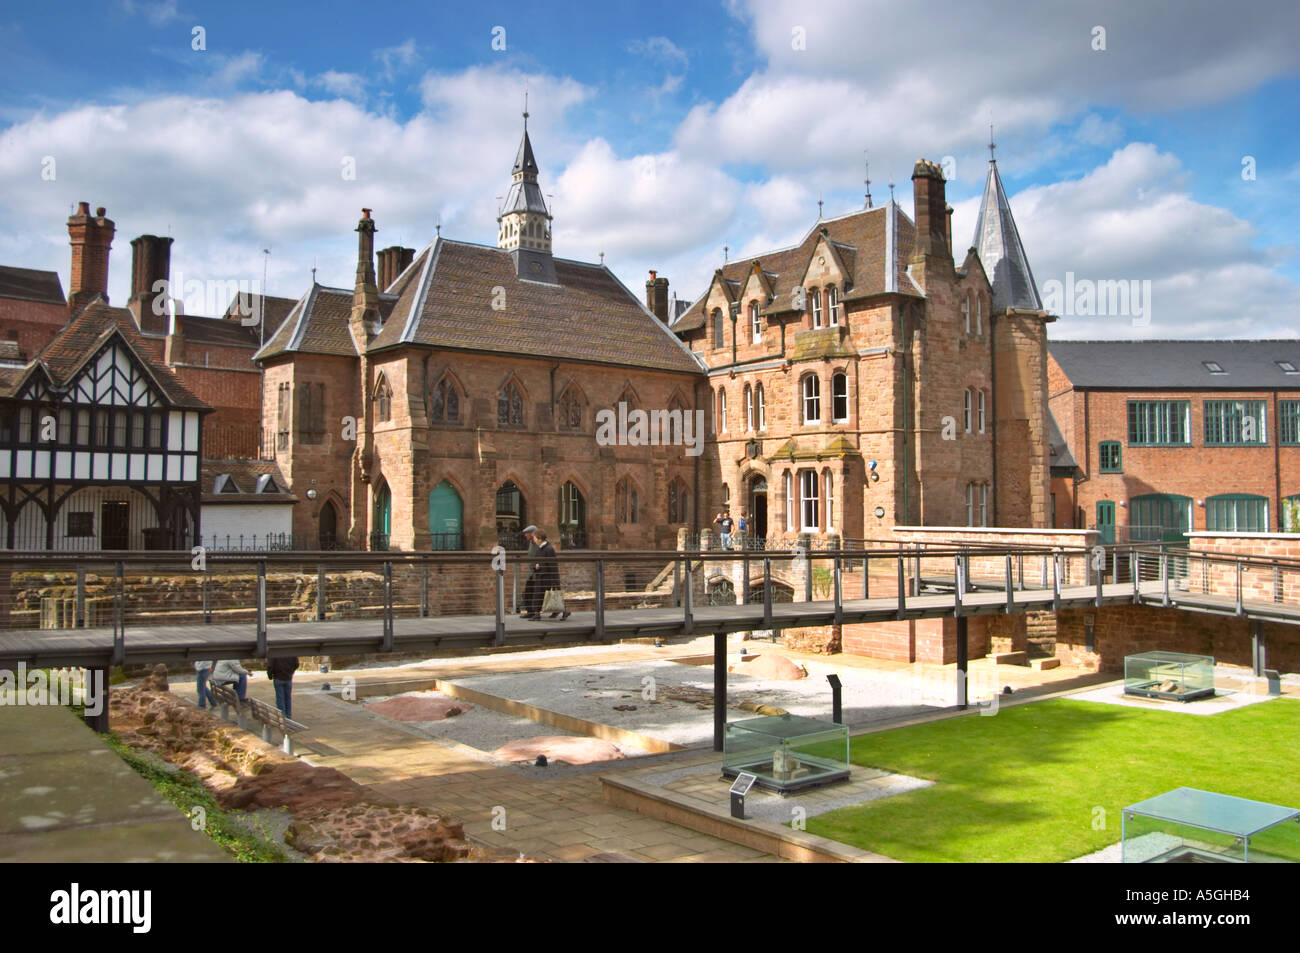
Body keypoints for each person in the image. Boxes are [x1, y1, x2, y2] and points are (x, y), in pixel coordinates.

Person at [526, 529, 569, 620]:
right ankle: (540, 613)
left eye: (535, 538)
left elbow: (552, 565)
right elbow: (537, 562)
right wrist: (536, 567)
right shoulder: (540, 549)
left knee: (547, 595)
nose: (533, 540)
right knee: (539, 594)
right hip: (541, 575)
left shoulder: (548, 549)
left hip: (547, 576)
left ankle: (563, 611)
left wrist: (555, 580)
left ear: (540, 539)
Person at [519, 525, 540, 614]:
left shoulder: (538, 543)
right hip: (531, 572)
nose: (525, 535)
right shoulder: (531, 543)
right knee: (528, 592)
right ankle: (530, 611)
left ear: (532, 534)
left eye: (527, 534)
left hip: (537, 572)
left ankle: (533, 612)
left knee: (537, 593)